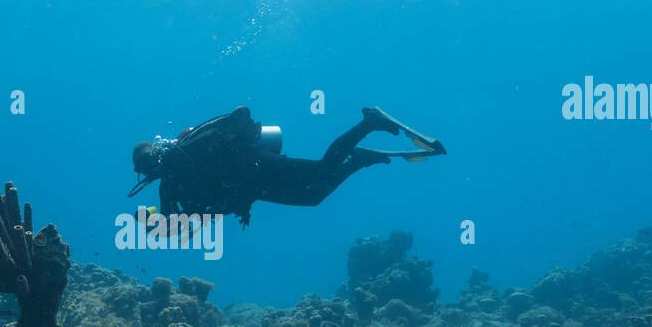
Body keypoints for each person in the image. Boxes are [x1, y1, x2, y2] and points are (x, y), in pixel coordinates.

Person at [127, 105, 445, 227]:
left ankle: (370, 122)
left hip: (256, 164)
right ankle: (358, 160)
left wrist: (241, 126)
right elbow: (173, 221)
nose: (153, 167)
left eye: (150, 161)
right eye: (147, 166)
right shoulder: (170, 183)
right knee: (312, 198)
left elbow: (237, 113)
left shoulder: (190, 148)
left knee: (321, 169)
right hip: (250, 188)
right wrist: (149, 219)